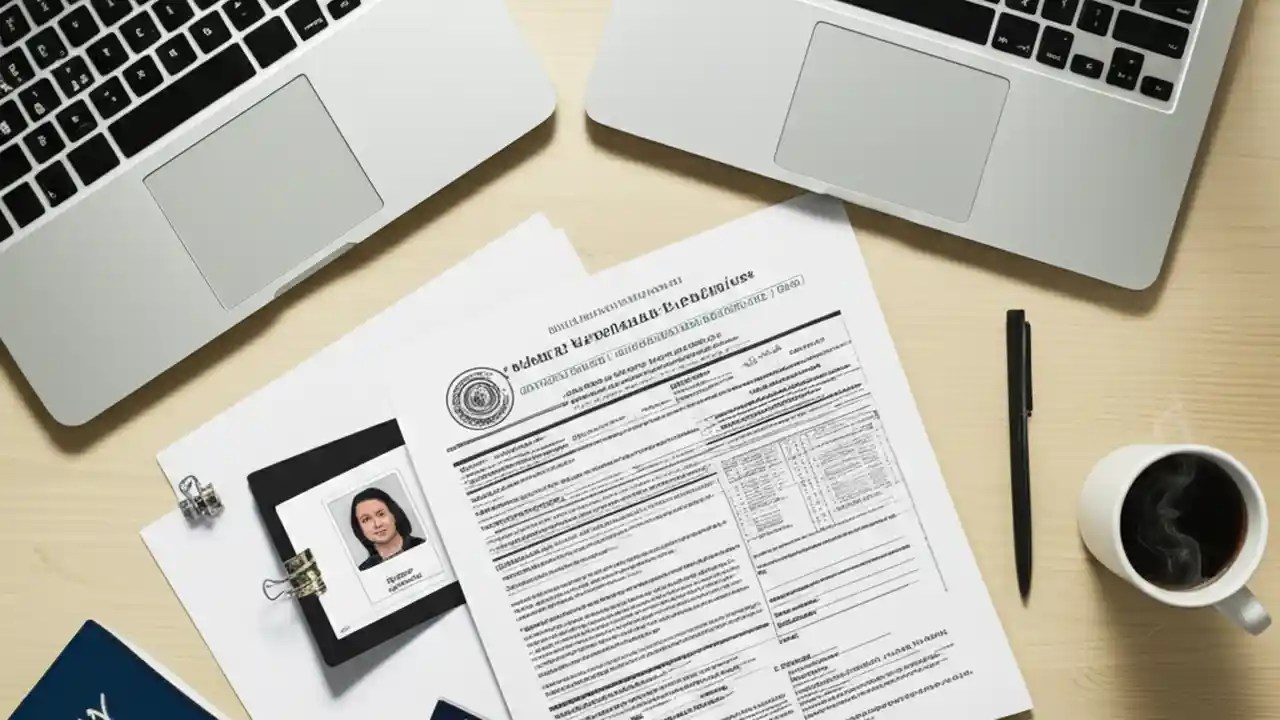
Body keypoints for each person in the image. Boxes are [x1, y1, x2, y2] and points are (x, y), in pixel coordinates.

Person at [349, 488, 425, 571]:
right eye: (366, 519)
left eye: (381, 514)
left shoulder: (423, 547)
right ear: (359, 527)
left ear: (394, 514)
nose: (377, 524)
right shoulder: (364, 571)